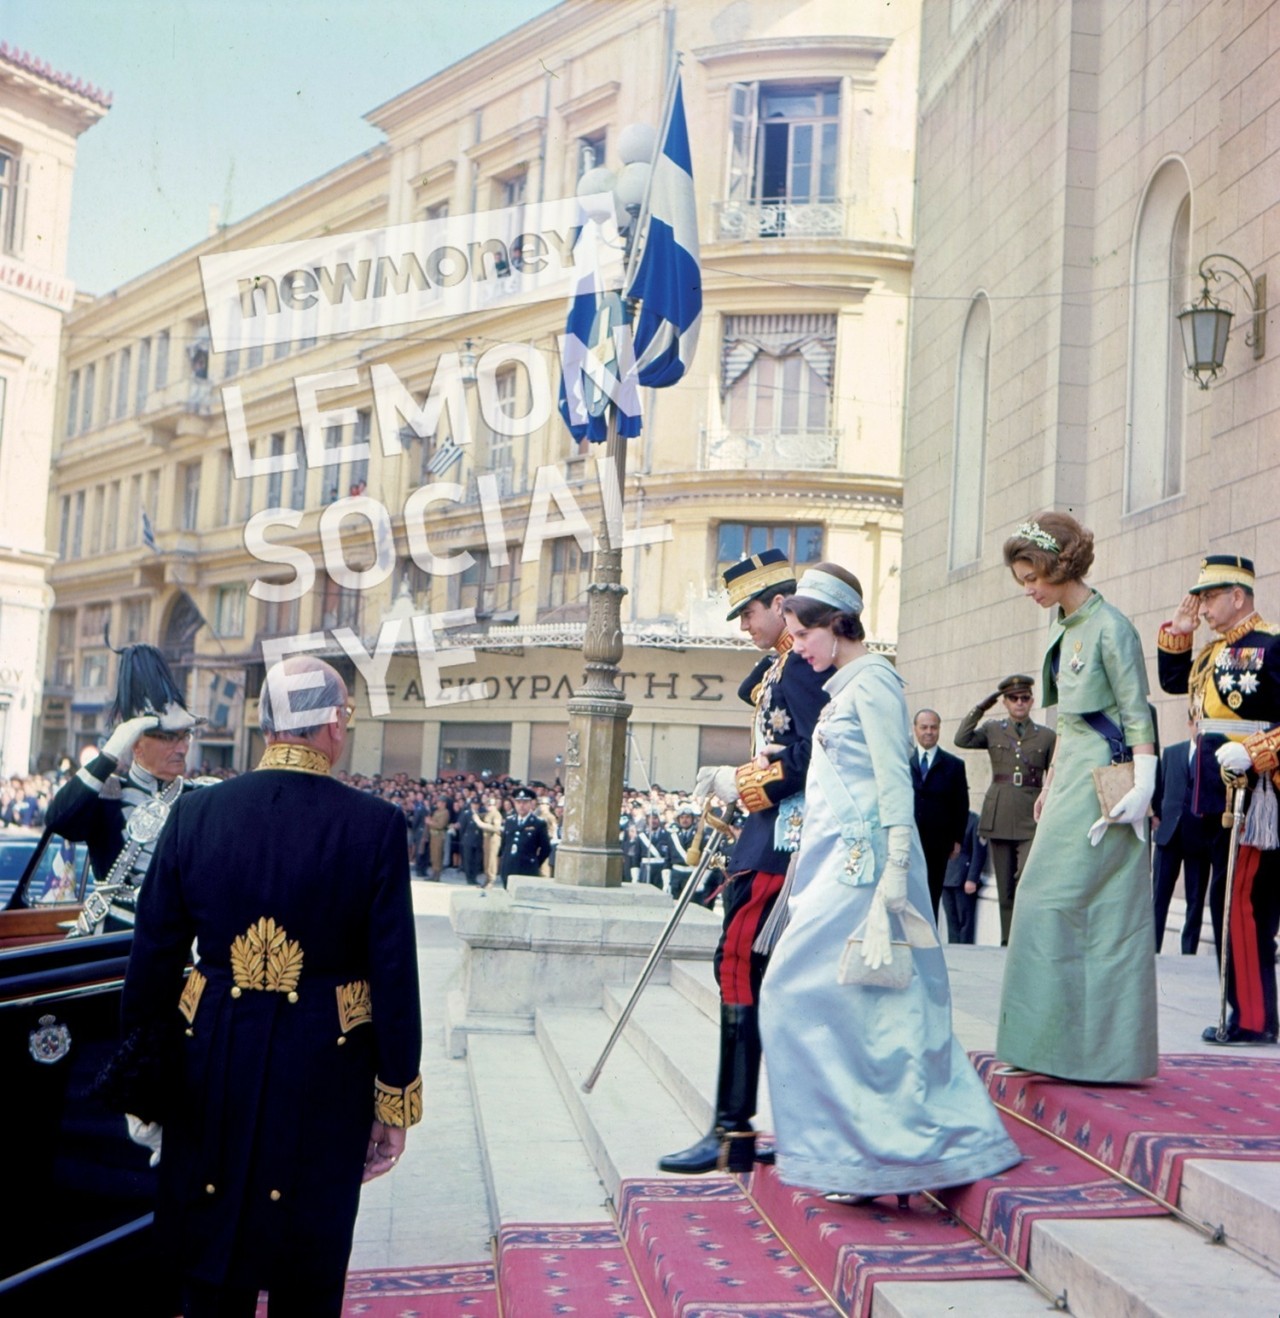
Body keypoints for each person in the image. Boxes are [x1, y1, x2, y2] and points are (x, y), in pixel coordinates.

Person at [113, 656, 422, 1315]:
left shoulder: (195, 816)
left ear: (267, 727)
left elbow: (153, 959)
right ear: (332, 726)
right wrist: (393, 1103)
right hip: (326, 1066)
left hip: (210, 1059)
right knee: (305, 1270)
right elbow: (393, 973)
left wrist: (144, 1081)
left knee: (207, 1256)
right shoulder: (373, 826)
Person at [759, 563, 1019, 1200]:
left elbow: (894, 781)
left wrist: (896, 875)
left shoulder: (873, 684)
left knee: (797, 995)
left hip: (867, 872)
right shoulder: (846, 687)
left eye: (801, 634)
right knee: (857, 1011)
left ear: (836, 625)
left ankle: (868, 1148)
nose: (797, 647)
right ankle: (859, 1151)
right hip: (834, 866)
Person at [659, 549, 829, 1175]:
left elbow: (810, 752)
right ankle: (734, 1127)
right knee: (744, 971)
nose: (742, 626)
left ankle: (733, 1128)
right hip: (765, 835)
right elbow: (753, 687)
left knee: (738, 961)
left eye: (749, 612)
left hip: (785, 838)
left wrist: (745, 782)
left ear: (782, 604)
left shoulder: (802, 668)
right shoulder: (784, 665)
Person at [995, 514, 1158, 1082]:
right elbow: (1067, 719)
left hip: (1105, 783)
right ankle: (1047, 1048)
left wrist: (1145, 783)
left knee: (1061, 903)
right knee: (1060, 907)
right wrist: (1054, 779)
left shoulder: (1112, 627)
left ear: (1059, 567)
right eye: (1022, 581)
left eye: (1032, 577)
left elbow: (1136, 712)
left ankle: (1089, 1053)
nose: (1029, 590)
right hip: (1072, 780)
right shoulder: (1064, 626)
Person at [1157, 554, 1280, 1044]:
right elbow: (1172, 684)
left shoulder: (1272, 646)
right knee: (1225, 906)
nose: (1203, 606)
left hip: (1255, 800)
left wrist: (1257, 751)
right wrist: (1180, 633)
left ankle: (1252, 1019)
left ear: (1238, 596)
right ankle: (1250, 1013)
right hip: (1213, 800)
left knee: (1243, 910)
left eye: (1209, 597)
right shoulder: (1210, 654)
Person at [45, 643, 211, 935]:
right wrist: (110, 753)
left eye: (186, 736)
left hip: (175, 943)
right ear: (135, 742)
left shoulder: (201, 796)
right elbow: (59, 821)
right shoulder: (108, 795)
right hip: (112, 941)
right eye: (168, 737)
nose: (182, 747)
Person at [954, 674, 1057, 944]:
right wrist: (982, 706)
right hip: (999, 812)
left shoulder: (1046, 736)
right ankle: (1008, 941)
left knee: (1027, 877)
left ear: (1032, 701)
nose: (1019, 702)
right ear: (1006, 702)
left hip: (1031, 815)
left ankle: (1026, 939)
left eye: (1024, 698)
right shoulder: (993, 729)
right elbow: (961, 738)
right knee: (1005, 887)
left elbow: (1056, 774)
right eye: (1013, 698)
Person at [1151, 713, 1223, 955]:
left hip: (1200, 841)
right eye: (1198, 724)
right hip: (1169, 836)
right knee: (1159, 898)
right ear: (1190, 724)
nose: (1201, 730)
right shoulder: (1172, 752)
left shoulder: (1217, 758)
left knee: (1194, 902)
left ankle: (1188, 953)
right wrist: (1156, 817)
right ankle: (1152, 950)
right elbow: (1159, 788)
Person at [909, 710, 969, 920]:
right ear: (915, 729)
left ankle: (929, 940)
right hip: (908, 839)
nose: (929, 732)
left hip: (938, 842)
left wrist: (957, 840)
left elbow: (961, 805)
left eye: (933, 727)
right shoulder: (903, 762)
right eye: (924, 727)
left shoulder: (954, 765)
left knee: (932, 891)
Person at [942, 810, 987, 944]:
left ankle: (965, 950)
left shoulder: (974, 820)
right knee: (951, 921)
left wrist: (972, 878)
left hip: (963, 878)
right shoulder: (945, 818)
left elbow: (978, 853)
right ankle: (954, 949)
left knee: (965, 922)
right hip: (946, 878)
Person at [498, 785, 552, 887]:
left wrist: (535, 862)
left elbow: (546, 848)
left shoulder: (538, 823)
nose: (521, 806)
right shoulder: (510, 821)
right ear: (514, 804)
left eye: (525, 802)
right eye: (518, 802)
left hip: (527, 868)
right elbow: (504, 845)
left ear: (531, 804)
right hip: (509, 868)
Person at [666, 802, 705, 899]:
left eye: (687, 817)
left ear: (693, 819)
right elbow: (668, 860)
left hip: (692, 874)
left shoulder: (700, 836)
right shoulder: (673, 837)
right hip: (676, 876)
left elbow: (705, 859)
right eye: (682, 818)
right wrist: (666, 881)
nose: (684, 820)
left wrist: (702, 880)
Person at [637, 809, 675, 889]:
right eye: (650, 818)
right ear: (647, 820)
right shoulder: (641, 836)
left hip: (661, 870)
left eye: (655, 818)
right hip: (646, 870)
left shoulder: (668, 835)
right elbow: (636, 857)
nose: (653, 821)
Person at [477, 794, 505, 885]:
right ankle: (487, 878)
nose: (489, 807)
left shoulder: (496, 814)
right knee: (486, 859)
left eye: (491, 805)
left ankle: (491, 879)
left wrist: (481, 824)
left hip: (493, 838)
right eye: (488, 805)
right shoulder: (488, 814)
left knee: (492, 860)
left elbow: (496, 828)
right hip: (487, 839)